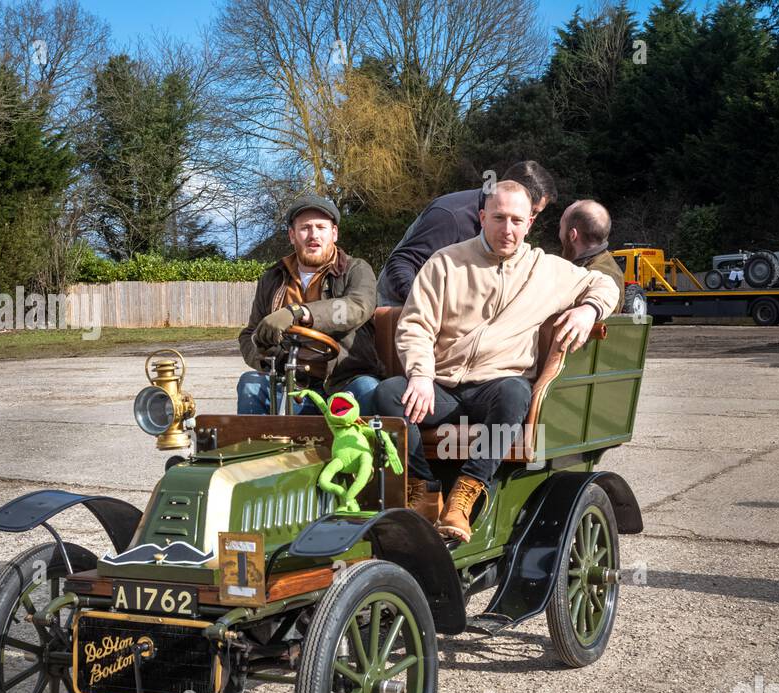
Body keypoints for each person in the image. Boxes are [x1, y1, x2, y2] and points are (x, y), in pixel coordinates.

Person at [373, 180, 620, 542]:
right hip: (442, 389)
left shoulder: (546, 269)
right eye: (500, 218)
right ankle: (423, 489)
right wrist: (421, 376)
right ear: (482, 217)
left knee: (516, 392)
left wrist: (588, 310)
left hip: (496, 392)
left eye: (517, 220)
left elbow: (606, 284)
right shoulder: (445, 263)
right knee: (388, 394)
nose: (508, 229)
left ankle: (466, 493)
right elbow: (415, 326)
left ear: (529, 225)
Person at [237, 194, 380, 415]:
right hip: (291, 382)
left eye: (321, 227)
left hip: (344, 381)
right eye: (305, 228)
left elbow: (356, 308)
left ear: (334, 233)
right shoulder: (273, 278)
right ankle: (256, 449)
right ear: (292, 236)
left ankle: (364, 449)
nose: (313, 235)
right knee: (251, 384)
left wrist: (300, 312)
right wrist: (264, 354)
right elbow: (249, 335)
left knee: (369, 388)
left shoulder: (356, 269)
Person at [375, 161, 557, 308]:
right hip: (396, 307)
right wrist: (425, 306)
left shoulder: (504, 228)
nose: (529, 220)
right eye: (532, 211)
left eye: (534, 214)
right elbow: (401, 262)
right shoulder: (452, 216)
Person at [558, 199, 623, 296]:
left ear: (572, 235)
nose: (559, 235)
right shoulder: (602, 266)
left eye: (561, 228)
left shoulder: (596, 279)